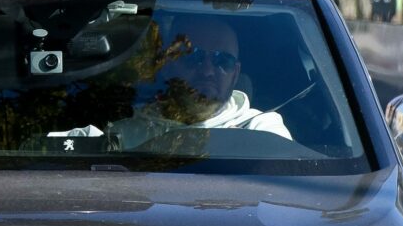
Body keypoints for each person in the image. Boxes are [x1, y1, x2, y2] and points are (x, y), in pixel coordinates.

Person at [111, 17, 290, 148]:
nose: (207, 71)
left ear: (235, 75)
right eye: (192, 57)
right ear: (167, 66)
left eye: (222, 61)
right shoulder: (128, 133)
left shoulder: (260, 130)